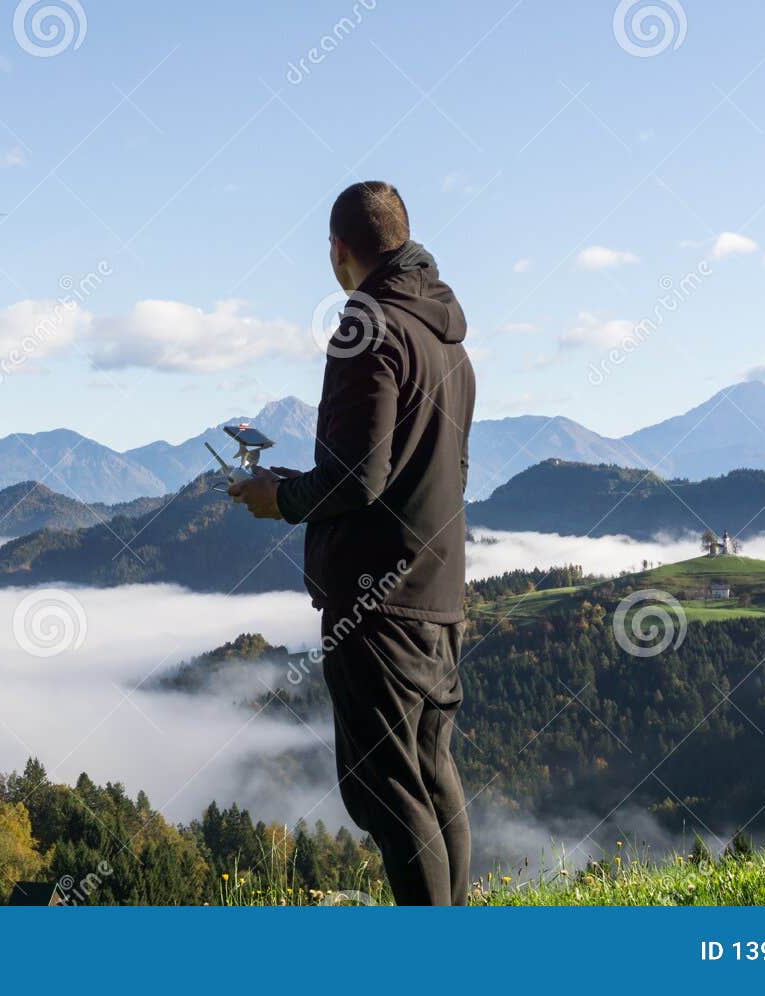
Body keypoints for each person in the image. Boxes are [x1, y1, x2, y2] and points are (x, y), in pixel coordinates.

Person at [228, 180, 475, 905]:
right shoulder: (445, 339)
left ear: (339, 251)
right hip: (439, 591)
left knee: (389, 797)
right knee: (432, 778)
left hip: (379, 601)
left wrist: (282, 499)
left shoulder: (366, 327)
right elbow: (436, 470)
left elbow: (358, 477)